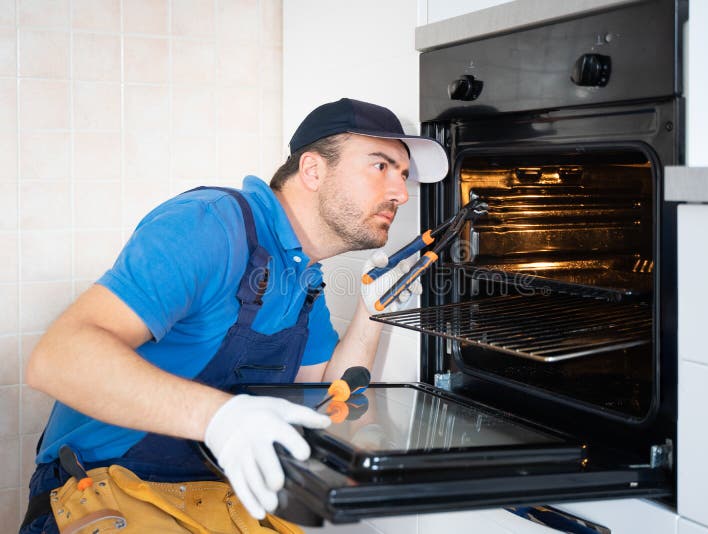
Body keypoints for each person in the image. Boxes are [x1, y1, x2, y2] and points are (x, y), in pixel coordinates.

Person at [21, 98, 448, 533]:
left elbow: (325, 392)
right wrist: (220, 417)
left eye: (402, 175)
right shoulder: (209, 226)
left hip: (216, 496)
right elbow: (57, 359)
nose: (401, 192)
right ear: (313, 170)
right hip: (106, 486)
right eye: (382, 166)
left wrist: (372, 309)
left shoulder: (303, 276)